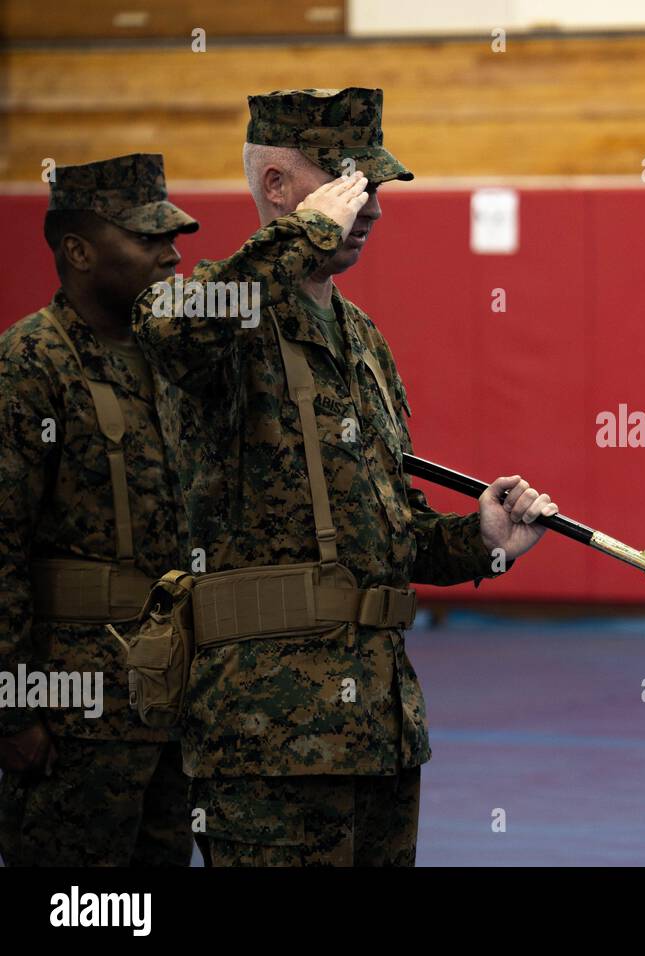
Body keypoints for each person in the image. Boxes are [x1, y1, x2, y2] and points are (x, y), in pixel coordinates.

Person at [133, 87, 557, 866]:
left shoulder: (361, 336)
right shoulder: (218, 317)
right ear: (278, 188)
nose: (372, 208)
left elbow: (389, 526)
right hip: (271, 733)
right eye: (347, 185)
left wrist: (481, 541)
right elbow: (169, 330)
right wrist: (298, 238)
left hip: (379, 729)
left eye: (377, 188)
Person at [0, 154, 198, 865]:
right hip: (71, 713)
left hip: (174, 707)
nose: (171, 253)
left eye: (171, 235)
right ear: (78, 251)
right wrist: (14, 710)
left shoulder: (172, 359)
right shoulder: (30, 363)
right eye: (146, 239)